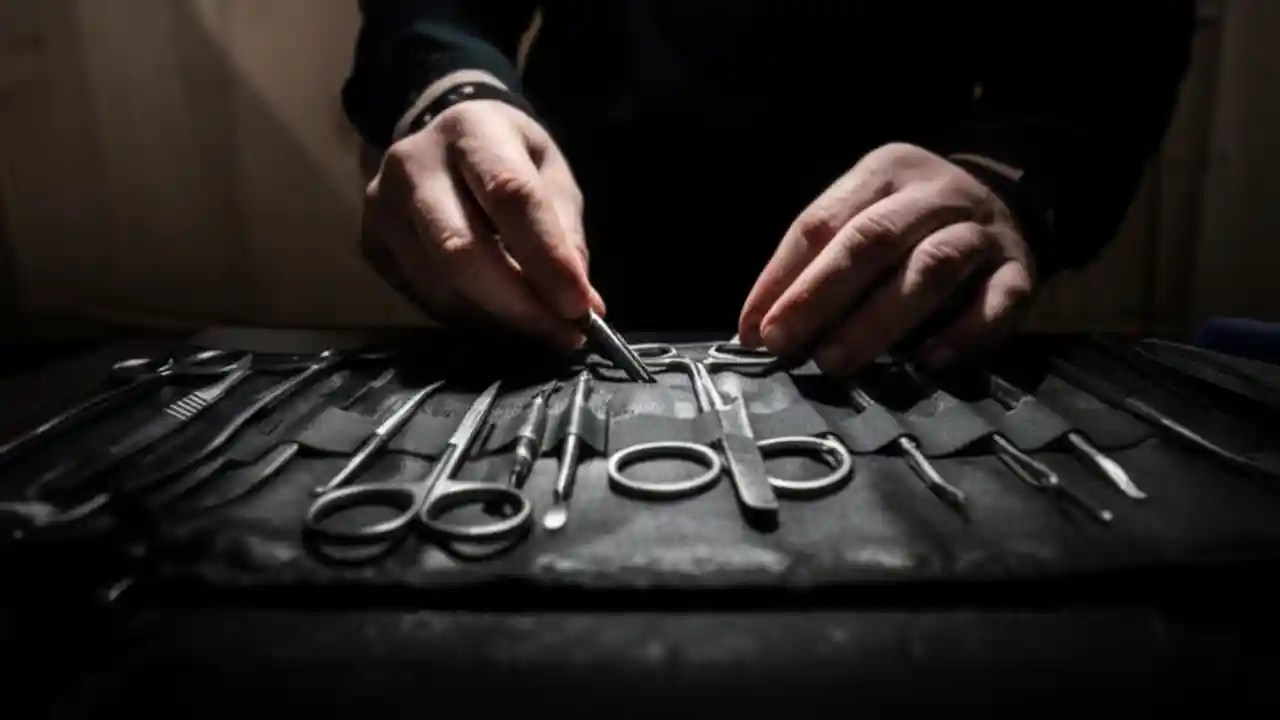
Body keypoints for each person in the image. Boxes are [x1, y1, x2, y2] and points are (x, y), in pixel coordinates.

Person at [342, 2, 1195, 375]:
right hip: (562, 275)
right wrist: (451, 88)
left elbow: (1108, 45)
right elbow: (436, 7)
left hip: (900, 316)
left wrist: (1008, 178)